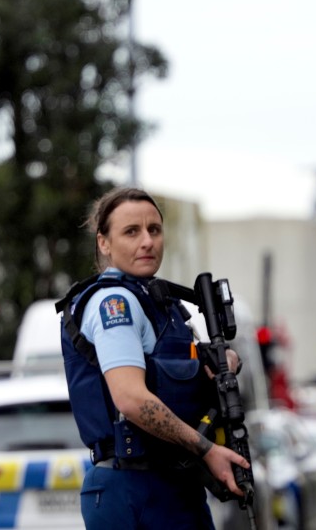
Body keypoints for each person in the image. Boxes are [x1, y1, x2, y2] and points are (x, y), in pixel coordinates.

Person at [58, 187, 250, 529]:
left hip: (173, 486)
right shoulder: (114, 303)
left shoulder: (164, 304)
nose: (147, 241)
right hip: (134, 489)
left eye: (154, 230)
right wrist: (206, 449)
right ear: (104, 243)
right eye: (131, 232)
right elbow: (131, 399)